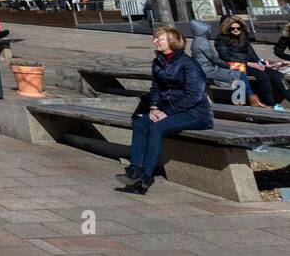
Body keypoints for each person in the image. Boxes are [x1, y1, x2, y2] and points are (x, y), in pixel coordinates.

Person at [116, 25, 214, 194]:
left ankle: (146, 176)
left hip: (196, 113)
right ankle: (134, 170)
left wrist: (166, 112)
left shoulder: (189, 65)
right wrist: (154, 107)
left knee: (156, 128)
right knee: (140, 124)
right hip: (168, 109)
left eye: (159, 39)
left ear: (172, 42)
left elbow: (194, 96)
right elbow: (156, 88)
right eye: (155, 38)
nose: (155, 41)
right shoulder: (159, 62)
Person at [216, 15, 286, 109]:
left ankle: (280, 99)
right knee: (263, 77)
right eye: (233, 28)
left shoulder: (243, 37)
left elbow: (252, 53)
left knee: (278, 76)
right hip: (238, 65)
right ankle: (271, 104)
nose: (236, 30)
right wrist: (248, 63)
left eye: (238, 28)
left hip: (251, 63)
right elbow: (225, 57)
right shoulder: (221, 39)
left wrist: (260, 63)